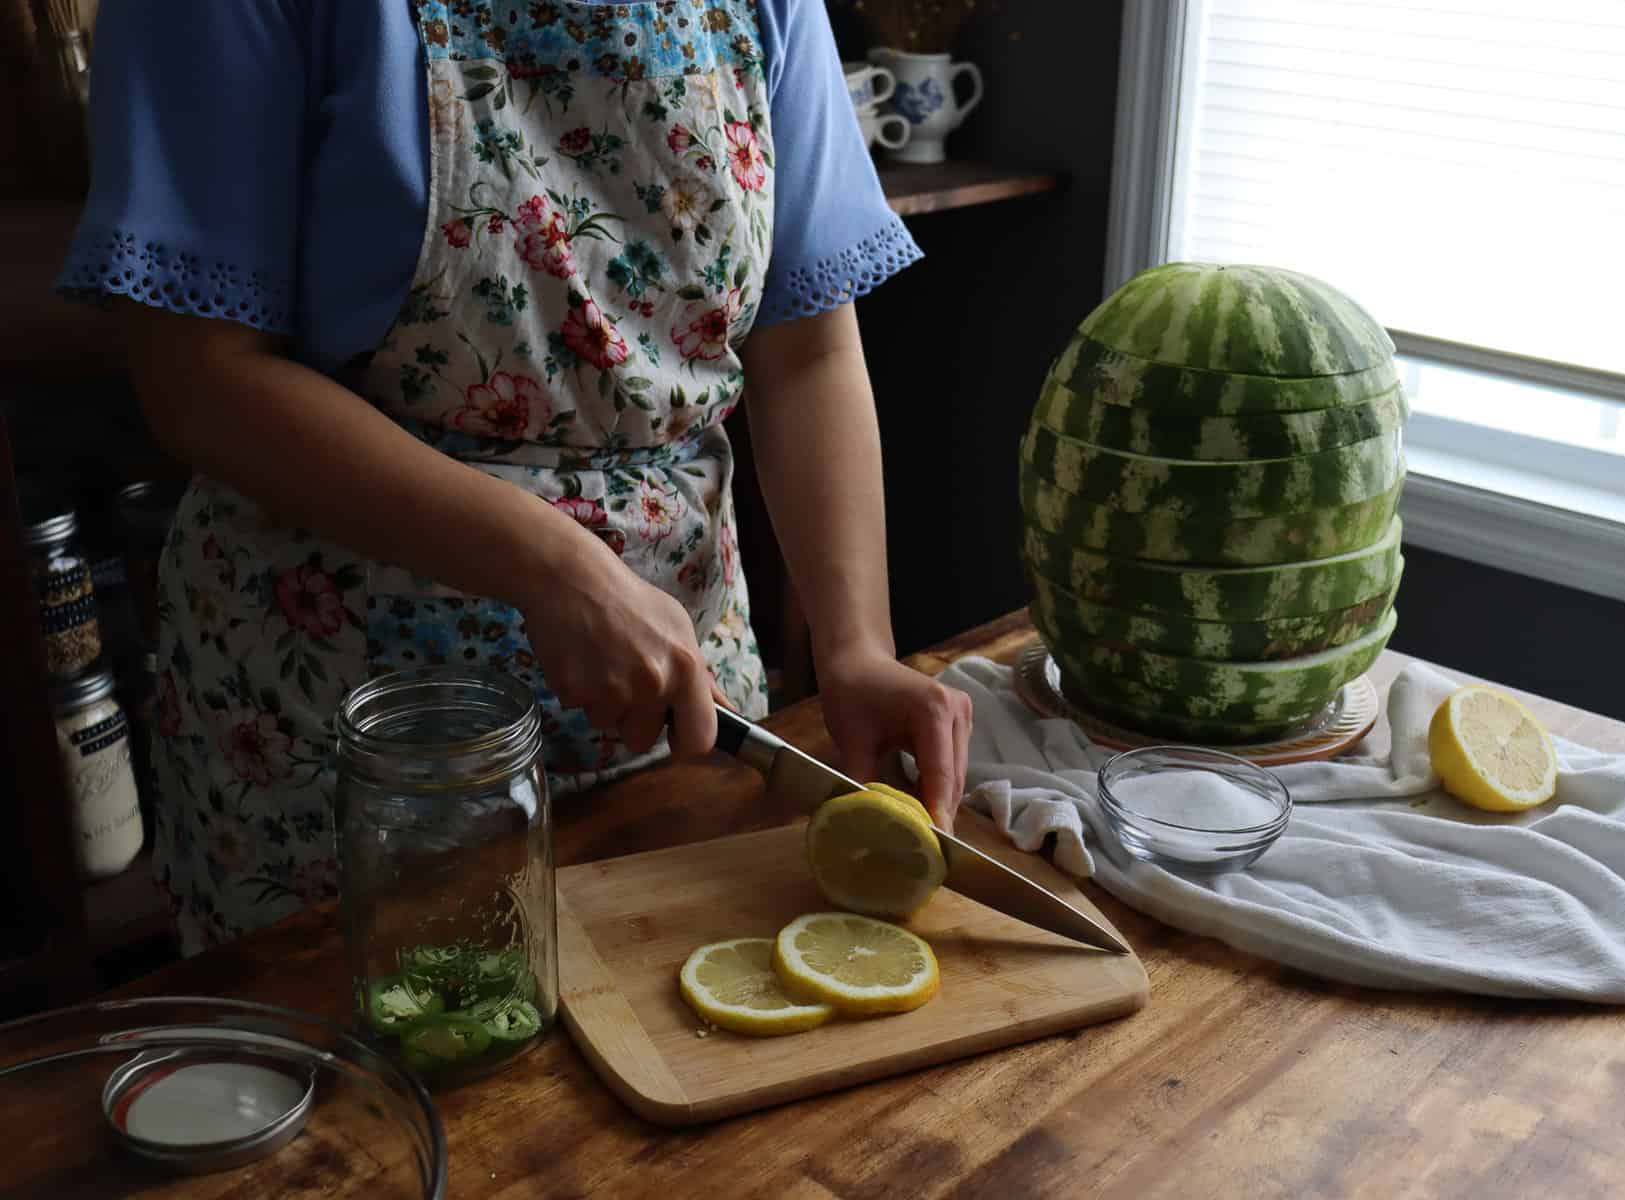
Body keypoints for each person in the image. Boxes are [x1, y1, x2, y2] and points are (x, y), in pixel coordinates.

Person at [56, 0, 973, 957]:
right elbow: (200, 381)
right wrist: (552, 567)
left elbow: (807, 347)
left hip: (687, 709)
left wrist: (857, 647)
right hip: (343, 749)